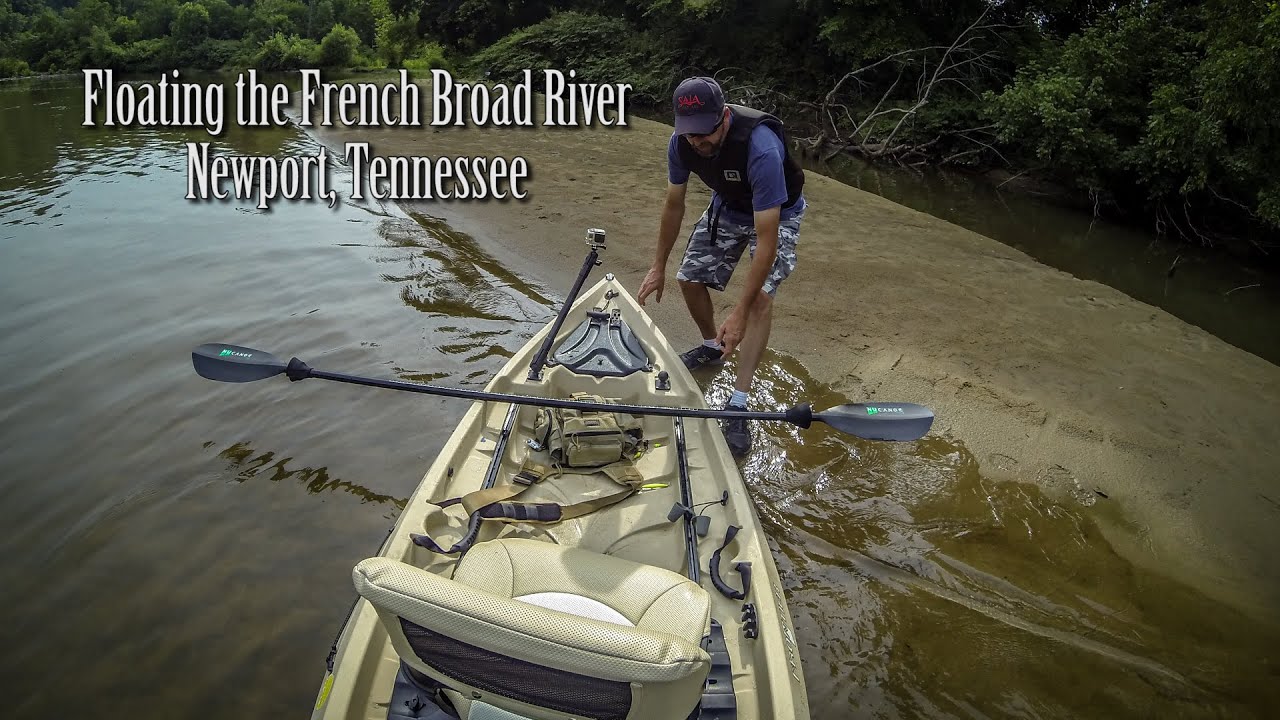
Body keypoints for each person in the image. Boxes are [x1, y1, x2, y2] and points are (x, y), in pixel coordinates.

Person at [637, 76, 807, 457]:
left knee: (761, 299)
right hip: (728, 206)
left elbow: (766, 239)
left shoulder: (760, 149)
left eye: (705, 132)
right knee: (689, 278)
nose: (698, 141)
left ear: (724, 116)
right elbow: (673, 205)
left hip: (777, 213)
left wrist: (742, 311)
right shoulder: (681, 145)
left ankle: (739, 403)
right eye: (690, 134)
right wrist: (657, 265)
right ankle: (713, 346)